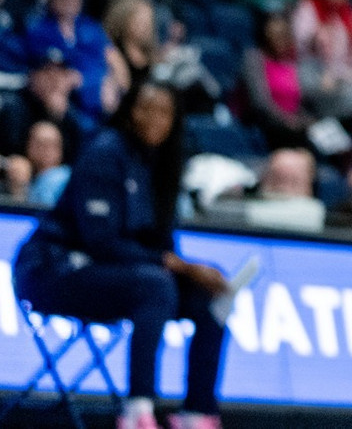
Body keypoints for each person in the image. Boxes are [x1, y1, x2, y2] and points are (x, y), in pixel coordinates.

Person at [12, 80, 230, 429]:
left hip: (119, 277)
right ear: (129, 111)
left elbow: (162, 246)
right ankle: (136, 410)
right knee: (156, 284)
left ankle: (197, 412)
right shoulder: (104, 152)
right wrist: (178, 266)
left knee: (212, 296)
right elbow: (101, 241)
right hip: (52, 270)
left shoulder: (164, 167)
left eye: (164, 112)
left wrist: (188, 271)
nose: (154, 118)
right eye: (146, 108)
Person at [23, 0, 115, 121]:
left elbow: (106, 62)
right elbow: (43, 72)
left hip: (95, 92)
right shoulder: (39, 30)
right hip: (63, 98)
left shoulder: (92, 28)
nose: (70, 0)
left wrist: (103, 81)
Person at [241, 12, 316, 150]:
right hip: (269, 124)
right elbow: (260, 102)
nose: (279, 39)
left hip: (295, 123)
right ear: (265, 36)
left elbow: (302, 101)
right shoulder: (254, 59)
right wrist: (287, 120)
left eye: (283, 34)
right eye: (274, 34)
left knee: (334, 136)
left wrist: (305, 120)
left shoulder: (292, 63)